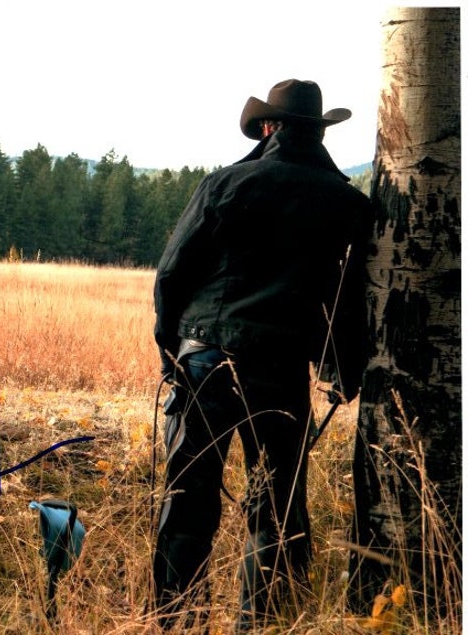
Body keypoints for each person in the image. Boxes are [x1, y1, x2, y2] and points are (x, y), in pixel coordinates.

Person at [151, 79, 371, 633]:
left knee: (188, 501)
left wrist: (170, 351)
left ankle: (178, 624)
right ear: (316, 133)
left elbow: (173, 273)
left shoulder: (224, 184)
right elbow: (347, 299)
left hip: (205, 358)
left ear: (268, 128)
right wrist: (341, 370)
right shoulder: (348, 204)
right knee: (276, 508)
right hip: (281, 371)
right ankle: (261, 624)